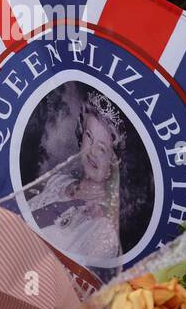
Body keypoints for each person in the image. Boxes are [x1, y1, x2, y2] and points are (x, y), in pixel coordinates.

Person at [26, 91, 123, 264]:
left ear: (114, 161)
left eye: (102, 148)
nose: (92, 151)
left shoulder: (103, 230)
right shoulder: (58, 182)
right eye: (89, 136)